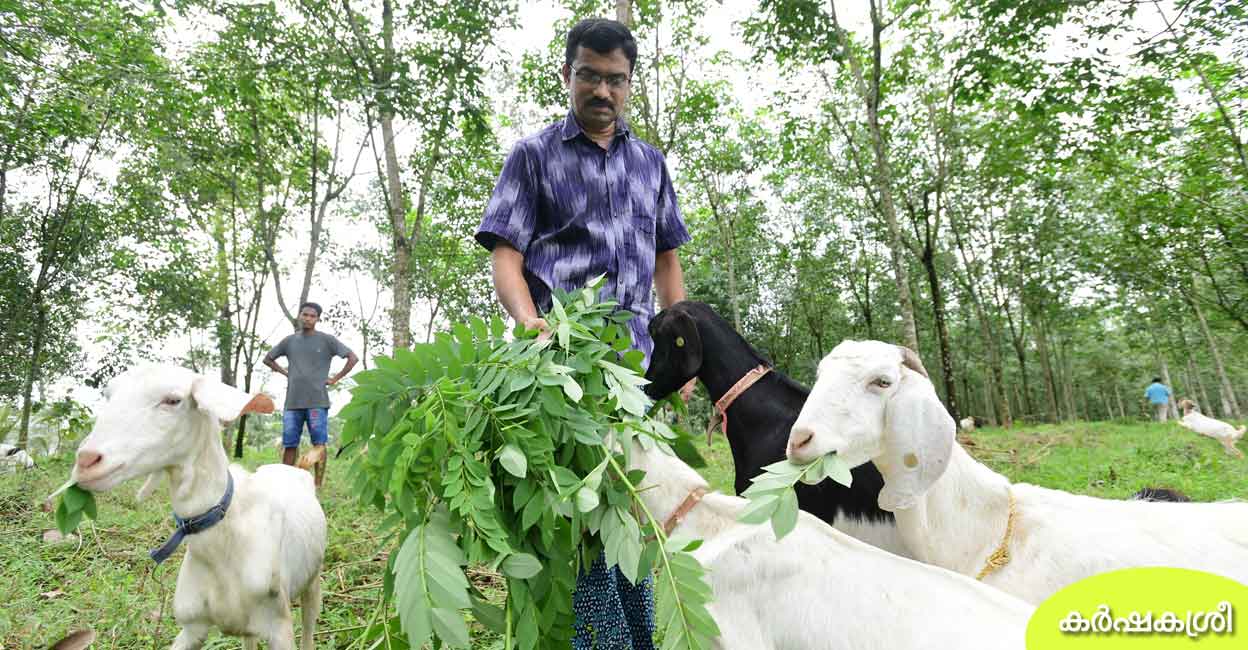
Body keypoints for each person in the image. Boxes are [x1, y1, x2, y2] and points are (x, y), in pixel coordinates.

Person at [475, 18, 690, 650]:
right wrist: (528, 321)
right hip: (560, 366)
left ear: (630, 85)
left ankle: (641, 630)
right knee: (579, 513)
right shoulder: (533, 155)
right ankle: (587, 636)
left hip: (638, 368)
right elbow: (506, 256)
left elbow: (666, 260)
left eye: (615, 79)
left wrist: (682, 354)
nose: (603, 90)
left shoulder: (651, 163)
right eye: (589, 76)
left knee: (639, 505)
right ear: (566, 76)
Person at [263, 302, 358, 487]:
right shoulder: (289, 341)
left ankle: (318, 485)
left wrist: (335, 379)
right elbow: (268, 358)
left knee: (319, 444)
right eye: (304, 314)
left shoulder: (327, 340)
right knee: (290, 443)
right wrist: (285, 372)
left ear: (317, 319)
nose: (307, 318)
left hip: (317, 401)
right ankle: (286, 484)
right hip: (292, 402)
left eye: (312, 316)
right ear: (299, 316)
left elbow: (352, 358)